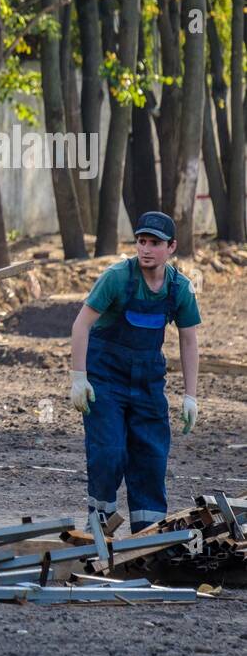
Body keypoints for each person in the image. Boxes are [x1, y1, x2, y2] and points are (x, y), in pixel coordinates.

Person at [69, 211, 201, 532]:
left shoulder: (179, 288)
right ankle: (101, 530)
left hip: (148, 386)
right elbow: (81, 324)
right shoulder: (117, 278)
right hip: (106, 383)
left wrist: (190, 396)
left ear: (171, 247)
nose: (145, 248)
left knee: (151, 458)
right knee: (109, 453)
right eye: (141, 241)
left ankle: (148, 536)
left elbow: (188, 340)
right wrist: (79, 377)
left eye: (154, 243)